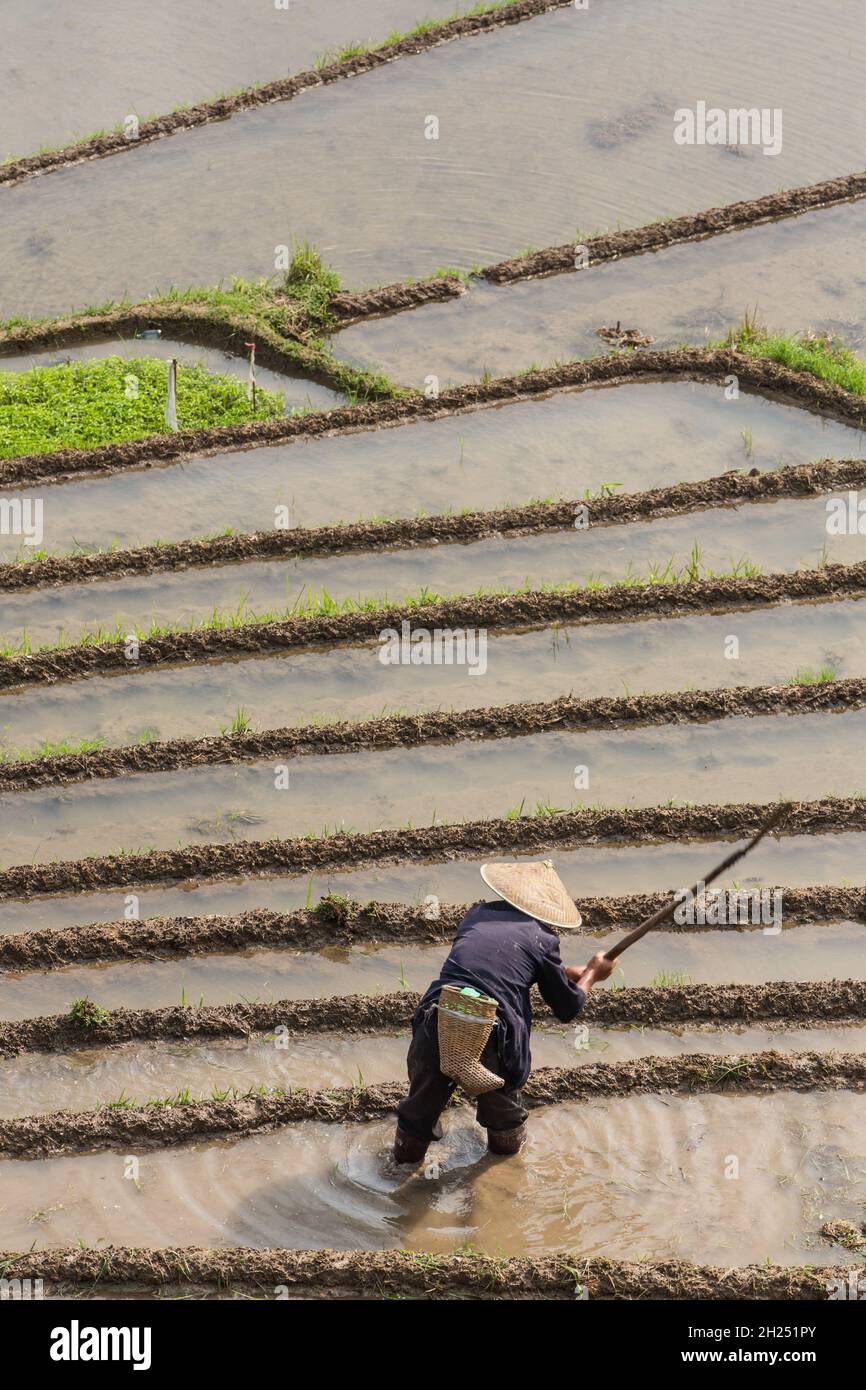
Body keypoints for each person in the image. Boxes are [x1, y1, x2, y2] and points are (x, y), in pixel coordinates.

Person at [393, 858, 615, 1164]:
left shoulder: (478, 914)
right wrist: (593, 972)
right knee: (506, 1124)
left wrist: (558, 972)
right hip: (489, 1029)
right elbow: (568, 1006)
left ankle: (401, 1178)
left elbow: (497, 963)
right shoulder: (543, 939)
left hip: (440, 1015)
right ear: (546, 909)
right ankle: (500, 1185)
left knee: (417, 1116)